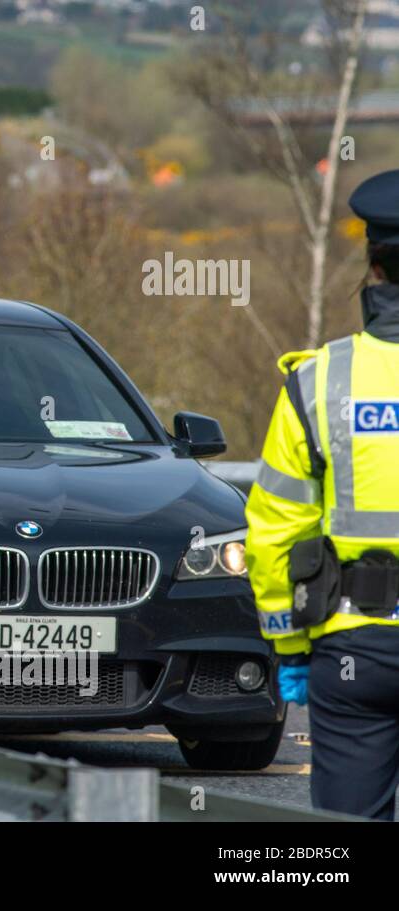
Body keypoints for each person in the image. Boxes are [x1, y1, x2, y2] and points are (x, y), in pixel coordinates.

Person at [246, 168, 399, 819]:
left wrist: (286, 644)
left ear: (372, 268)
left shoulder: (320, 380)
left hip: (354, 651)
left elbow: (275, 527)